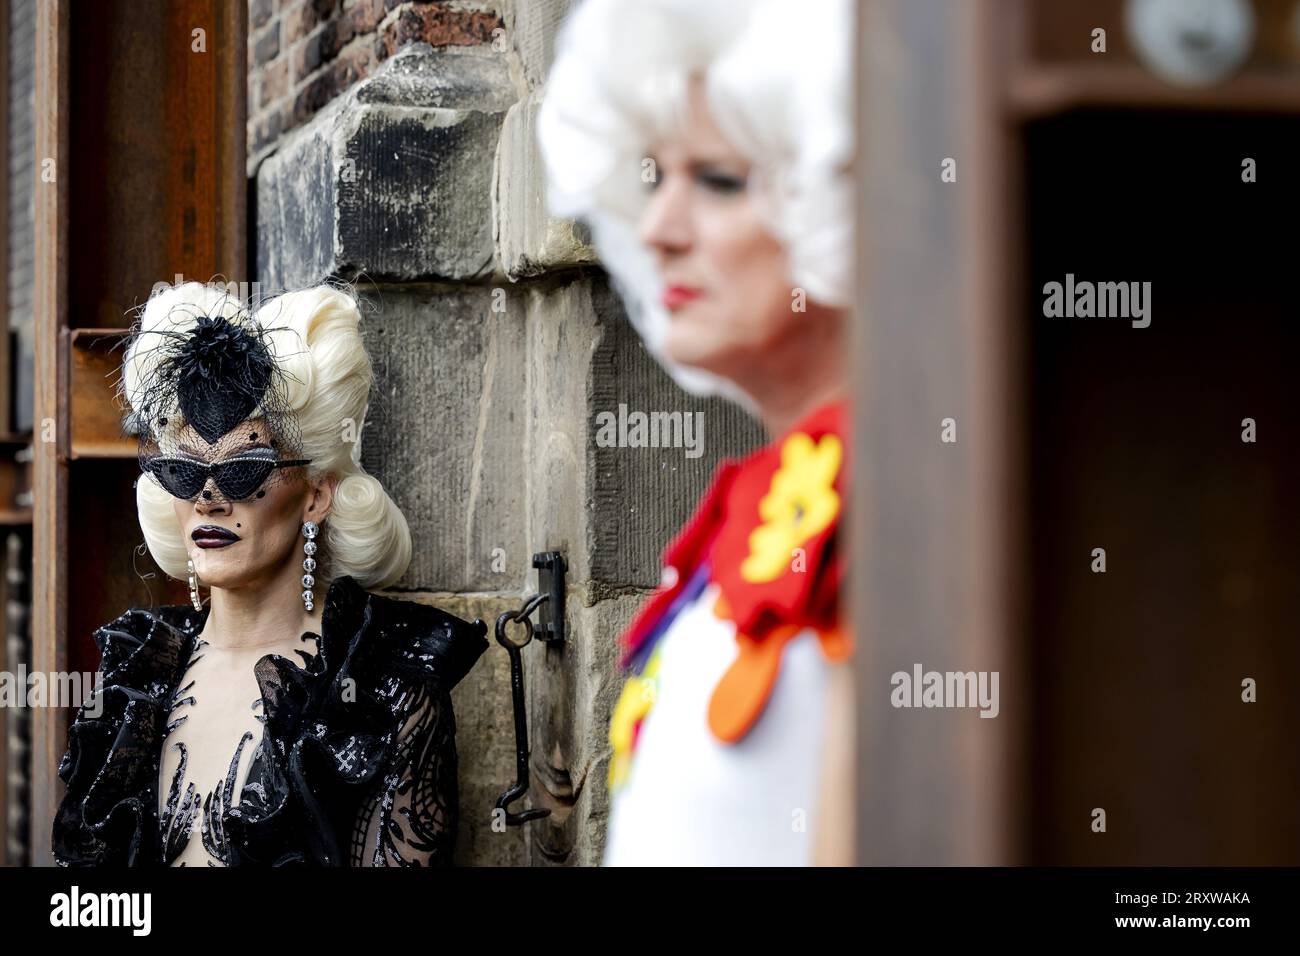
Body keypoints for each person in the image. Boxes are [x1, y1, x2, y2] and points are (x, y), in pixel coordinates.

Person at [538, 0, 855, 864]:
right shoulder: (774, 505)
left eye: (718, 180)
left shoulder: (904, 506)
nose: (659, 230)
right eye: (652, 178)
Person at [52, 282, 488, 866]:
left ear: (315, 496)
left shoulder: (383, 689)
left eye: (244, 469)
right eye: (184, 471)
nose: (207, 498)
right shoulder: (135, 675)